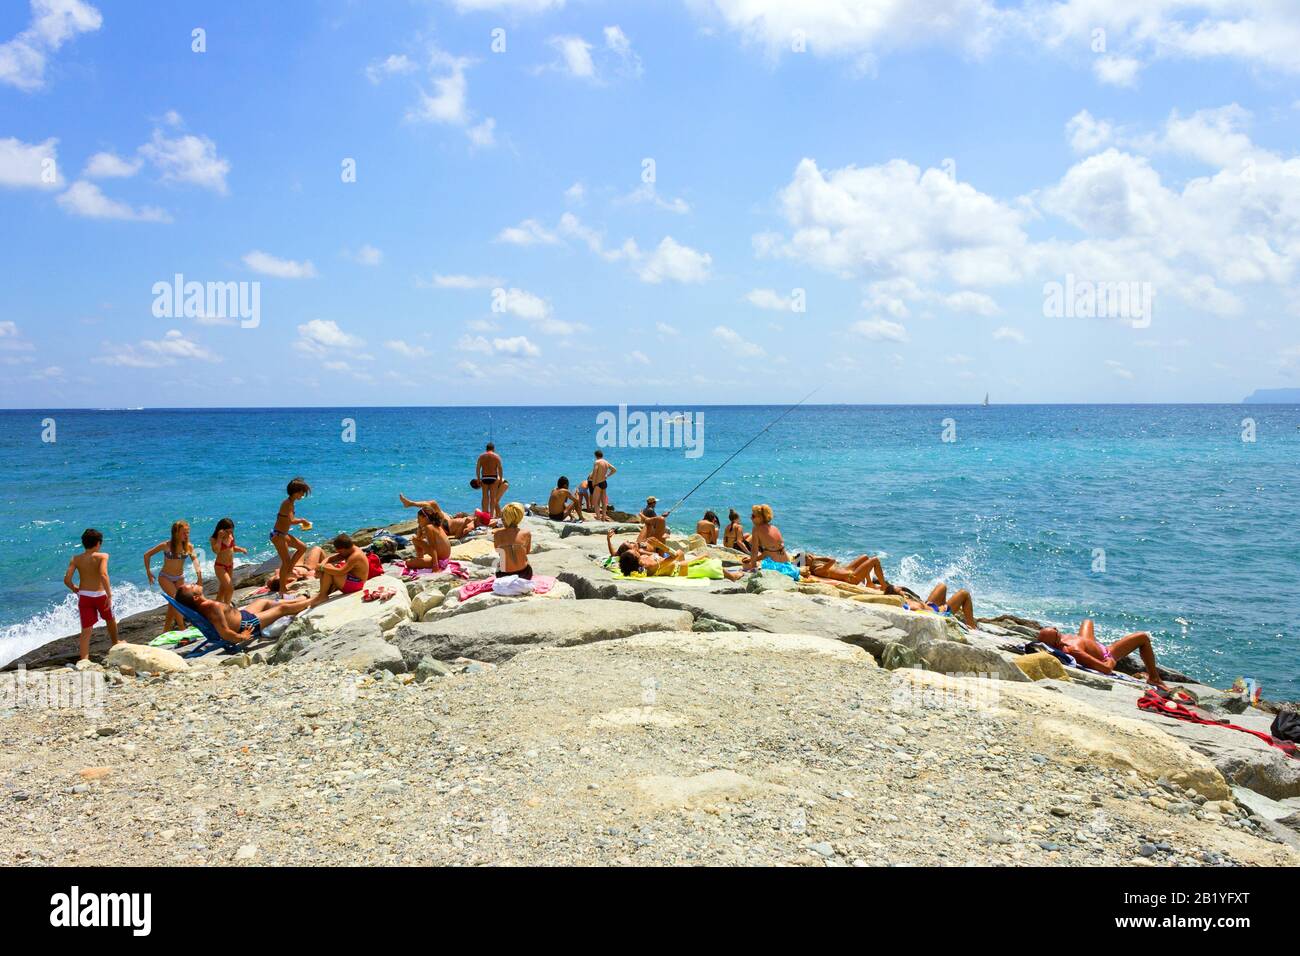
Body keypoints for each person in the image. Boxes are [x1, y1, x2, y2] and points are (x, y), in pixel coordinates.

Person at [1037, 620, 1169, 689]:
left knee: (1087, 621)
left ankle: (1092, 644)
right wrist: (1110, 659)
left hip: (1087, 641)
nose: (1055, 628)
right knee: (1142, 637)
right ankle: (1154, 678)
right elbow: (1106, 669)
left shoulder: (1059, 641)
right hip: (1106, 653)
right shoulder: (1073, 650)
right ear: (1055, 641)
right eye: (1055, 631)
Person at [174, 582, 309, 645]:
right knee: (282, 609)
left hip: (241, 616)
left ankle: (299, 600)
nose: (193, 583)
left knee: (263, 601)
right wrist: (241, 637)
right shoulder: (212, 607)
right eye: (192, 586)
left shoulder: (205, 606)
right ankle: (314, 600)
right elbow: (225, 632)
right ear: (196, 597)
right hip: (246, 624)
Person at [64, 528, 121, 661]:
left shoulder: (76, 559)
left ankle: (84, 658)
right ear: (98, 543)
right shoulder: (102, 556)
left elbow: (67, 579)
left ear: (84, 543)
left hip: (84, 596)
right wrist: (110, 595)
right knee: (110, 619)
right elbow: (103, 574)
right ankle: (115, 642)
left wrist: (75, 588)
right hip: (100, 595)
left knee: (86, 629)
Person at [144, 520, 204, 632]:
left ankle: (165, 630)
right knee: (177, 600)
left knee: (173, 604)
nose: (186, 535)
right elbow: (147, 555)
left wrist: (199, 577)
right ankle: (182, 629)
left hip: (179, 578)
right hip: (165, 577)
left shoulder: (189, 547)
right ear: (176, 533)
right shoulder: (165, 545)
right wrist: (148, 572)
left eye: (188, 533)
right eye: (184, 533)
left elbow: (195, 561)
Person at [270, 477, 312, 598]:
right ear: (296, 491)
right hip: (278, 535)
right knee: (286, 561)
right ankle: (282, 590)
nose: (303, 495)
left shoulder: (291, 503)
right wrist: (303, 521)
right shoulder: (287, 503)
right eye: (302, 492)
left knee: (302, 548)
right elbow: (291, 520)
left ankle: (289, 570)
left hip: (283, 534)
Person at [311, 533, 371, 606]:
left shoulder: (355, 556)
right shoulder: (350, 550)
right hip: (351, 579)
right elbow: (330, 558)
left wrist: (321, 567)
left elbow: (340, 572)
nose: (339, 553)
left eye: (340, 552)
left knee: (329, 569)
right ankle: (323, 593)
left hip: (357, 584)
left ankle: (323, 595)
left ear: (344, 548)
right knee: (328, 566)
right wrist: (321, 567)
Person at [746, 504, 799, 581]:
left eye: (753, 516)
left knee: (745, 567)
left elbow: (754, 551)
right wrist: (753, 559)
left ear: (760, 518)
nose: (751, 518)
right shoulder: (774, 528)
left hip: (776, 568)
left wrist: (753, 568)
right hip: (789, 568)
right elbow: (770, 552)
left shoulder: (756, 529)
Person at [894, 582, 977, 628]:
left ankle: (953, 607)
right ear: (896, 595)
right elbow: (922, 615)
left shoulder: (905, 598)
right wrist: (941, 611)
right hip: (939, 612)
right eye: (899, 590)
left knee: (942, 586)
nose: (901, 589)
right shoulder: (908, 606)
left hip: (930, 605)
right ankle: (971, 626)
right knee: (964, 593)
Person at [209, 518, 247, 605]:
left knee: (222, 590)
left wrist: (241, 549)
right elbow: (216, 551)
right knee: (230, 588)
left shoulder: (231, 536)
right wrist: (219, 537)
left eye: (231, 531)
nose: (230, 533)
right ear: (221, 530)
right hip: (220, 567)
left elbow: (232, 548)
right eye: (228, 531)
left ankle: (217, 606)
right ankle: (227, 608)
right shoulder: (214, 539)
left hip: (230, 566)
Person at [803, 552, 889, 589]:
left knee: (865, 557)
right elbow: (832, 560)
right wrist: (817, 557)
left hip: (848, 570)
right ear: (806, 563)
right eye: (807, 557)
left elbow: (833, 561)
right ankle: (884, 586)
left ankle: (869, 583)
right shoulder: (817, 570)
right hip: (851, 578)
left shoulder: (817, 564)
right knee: (875, 560)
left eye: (809, 555)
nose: (810, 556)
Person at [405, 506, 452, 570]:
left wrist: (435, 567)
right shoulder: (434, 525)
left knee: (408, 562)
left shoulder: (428, 528)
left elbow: (433, 547)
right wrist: (419, 528)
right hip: (445, 559)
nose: (418, 521)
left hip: (439, 562)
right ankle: (420, 559)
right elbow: (419, 539)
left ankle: (421, 561)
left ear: (425, 518)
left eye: (419, 519)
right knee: (415, 540)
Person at [494, 502, 533, 579]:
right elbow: (527, 552)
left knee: (499, 561)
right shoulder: (526, 533)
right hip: (525, 574)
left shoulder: (497, 534)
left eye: (502, 517)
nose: (501, 519)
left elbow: (498, 552)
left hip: (503, 575)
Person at [476, 442, 504, 518]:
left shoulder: (481, 456)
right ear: (493, 449)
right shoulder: (496, 456)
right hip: (493, 477)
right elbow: (500, 468)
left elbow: (478, 468)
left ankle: (485, 514)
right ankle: (491, 516)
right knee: (493, 497)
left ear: (486, 449)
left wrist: (478, 479)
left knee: (485, 497)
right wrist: (500, 479)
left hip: (484, 477)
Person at [589, 450, 616, 521]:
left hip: (598, 483)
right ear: (602, 455)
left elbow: (595, 472)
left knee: (595, 502)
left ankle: (598, 517)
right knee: (604, 502)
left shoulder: (597, 462)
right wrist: (607, 475)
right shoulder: (606, 462)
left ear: (595, 455)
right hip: (604, 483)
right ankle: (603, 518)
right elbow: (614, 470)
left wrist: (593, 482)